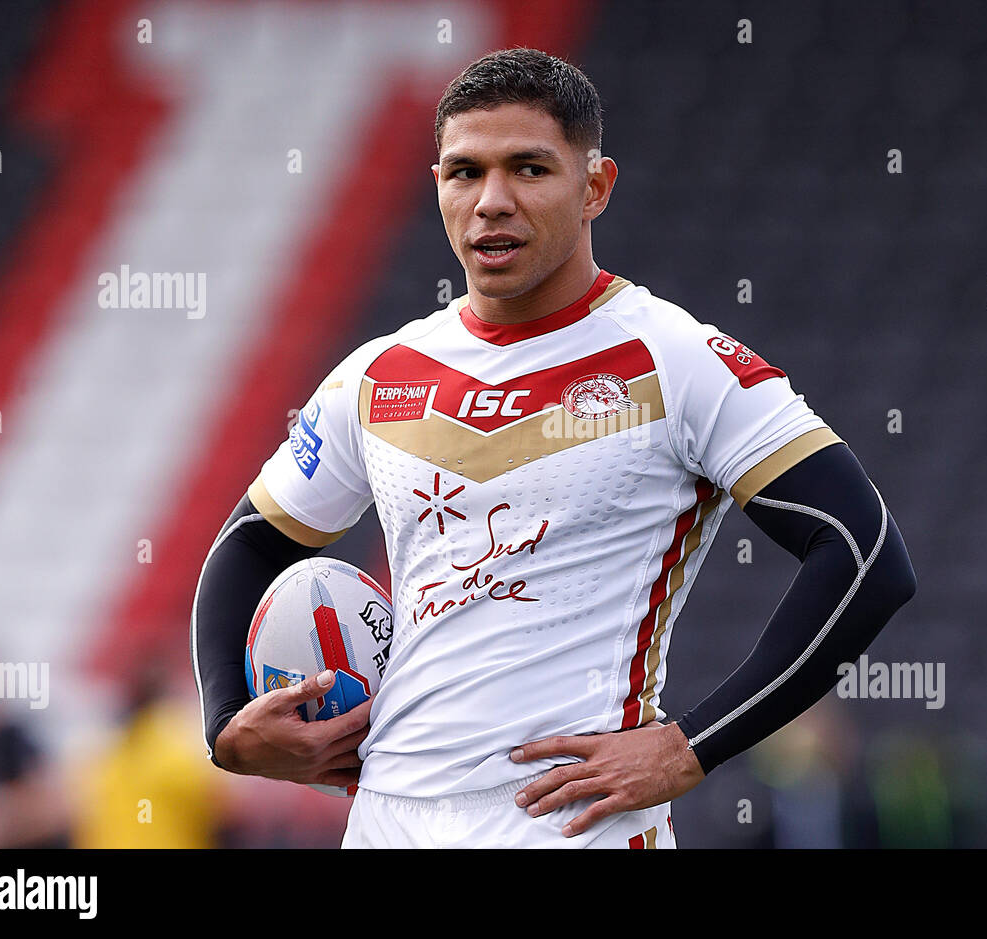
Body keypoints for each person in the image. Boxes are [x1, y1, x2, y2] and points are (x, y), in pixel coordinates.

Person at [191, 48, 916, 848]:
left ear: (595, 186)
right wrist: (226, 726)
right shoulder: (378, 375)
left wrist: (691, 747)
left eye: (529, 169)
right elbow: (249, 543)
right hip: (385, 819)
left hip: (572, 823)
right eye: (463, 172)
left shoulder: (672, 359)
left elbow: (865, 552)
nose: (491, 202)